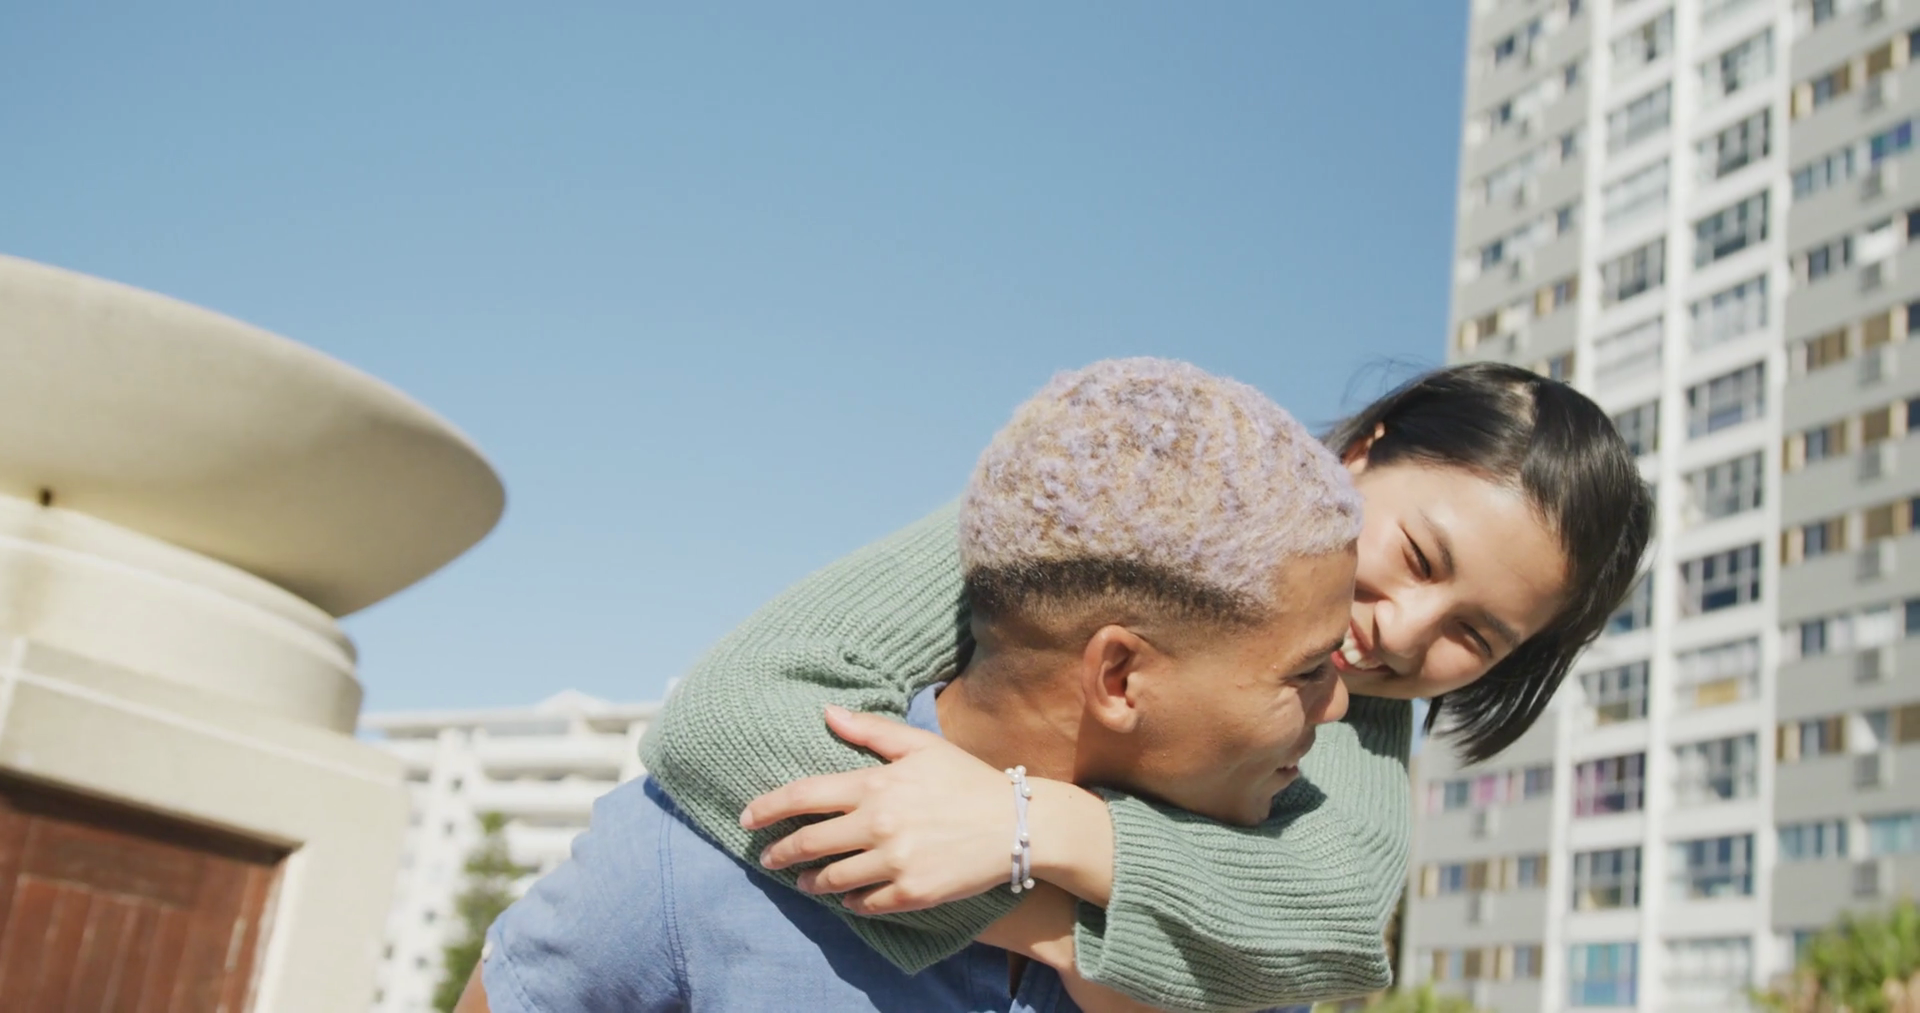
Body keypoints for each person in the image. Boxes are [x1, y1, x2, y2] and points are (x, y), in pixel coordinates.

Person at [631, 361, 1654, 1011]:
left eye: (1476, 633)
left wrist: (1032, 829)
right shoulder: (1115, 499)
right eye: (1422, 555)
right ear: (1362, 452)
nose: (1402, 631)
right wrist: (1164, 952)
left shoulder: (1365, 711)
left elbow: (1332, 925)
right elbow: (730, 712)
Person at [465, 358, 1370, 1011]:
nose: (1337, 707)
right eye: (1305, 671)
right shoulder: (693, 857)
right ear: (1120, 675)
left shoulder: (1232, 954)